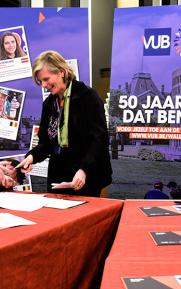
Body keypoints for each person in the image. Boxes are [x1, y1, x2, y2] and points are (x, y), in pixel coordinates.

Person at [19, 50, 112, 198]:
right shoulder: (49, 104)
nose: (43, 85)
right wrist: (32, 157)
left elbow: (100, 140)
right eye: (40, 81)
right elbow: (45, 143)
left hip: (86, 175)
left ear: (61, 72)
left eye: (46, 79)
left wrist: (84, 170)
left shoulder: (88, 97)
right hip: (58, 176)